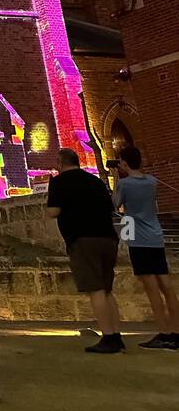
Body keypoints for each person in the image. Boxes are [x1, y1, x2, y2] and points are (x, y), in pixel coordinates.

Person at [46, 148, 125, 354]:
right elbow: (111, 207)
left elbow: (53, 211)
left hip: (83, 239)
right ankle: (116, 335)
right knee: (106, 289)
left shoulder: (59, 181)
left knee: (96, 289)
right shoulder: (95, 181)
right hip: (108, 237)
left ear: (61, 164)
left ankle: (107, 336)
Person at [113, 147, 178, 349]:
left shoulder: (124, 183)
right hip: (155, 234)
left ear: (124, 163)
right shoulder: (151, 181)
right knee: (166, 285)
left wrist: (117, 179)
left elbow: (116, 204)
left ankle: (163, 333)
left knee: (151, 288)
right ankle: (176, 331)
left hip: (138, 237)